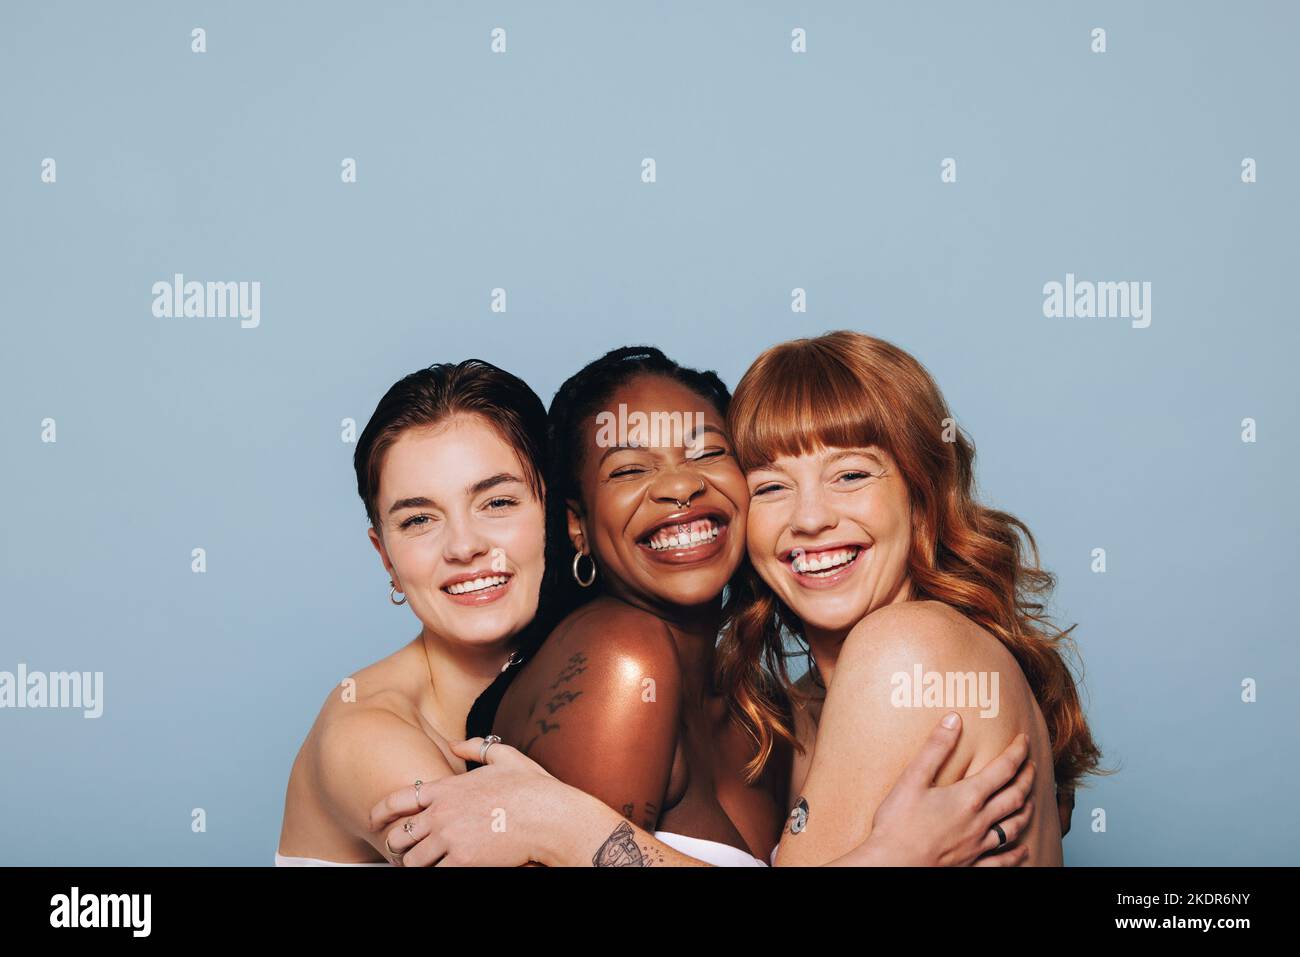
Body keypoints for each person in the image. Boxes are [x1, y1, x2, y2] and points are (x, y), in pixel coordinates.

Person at [374, 345, 1043, 866]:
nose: (811, 518)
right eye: (775, 483)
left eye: (851, 474)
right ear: (576, 523)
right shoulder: (769, 697)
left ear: (922, 493)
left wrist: (564, 823)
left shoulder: (898, 653)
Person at [275, 360, 548, 865]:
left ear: (561, 514)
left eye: (497, 502)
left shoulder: (595, 674)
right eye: (420, 519)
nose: (464, 546)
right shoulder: (367, 736)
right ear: (387, 558)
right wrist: (559, 815)